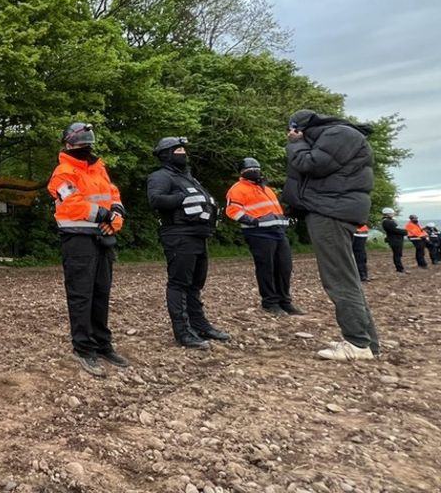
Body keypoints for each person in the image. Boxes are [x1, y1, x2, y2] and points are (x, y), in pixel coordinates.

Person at [282, 109, 378, 361]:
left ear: (299, 127)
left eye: (293, 129)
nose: (290, 134)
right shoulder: (338, 134)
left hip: (330, 212)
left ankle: (357, 343)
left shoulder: (338, 134)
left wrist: (296, 143)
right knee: (346, 276)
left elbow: (310, 164)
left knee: (338, 279)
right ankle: (367, 343)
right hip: (331, 209)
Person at [47, 122, 129, 377]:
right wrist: (106, 215)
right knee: (82, 296)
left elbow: (113, 194)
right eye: (80, 142)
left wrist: (116, 218)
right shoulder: (63, 172)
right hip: (78, 240)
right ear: (67, 144)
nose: (85, 146)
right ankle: (83, 348)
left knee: (101, 293)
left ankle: (103, 344)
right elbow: (72, 204)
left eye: (87, 142)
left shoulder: (99, 168)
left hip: (103, 237)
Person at [146, 136, 230, 349]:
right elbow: (155, 200)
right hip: (178, 235)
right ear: (166, 154)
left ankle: (200, 325)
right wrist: (181, 198)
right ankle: (183, 332)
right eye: (178, 149)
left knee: (195, 285)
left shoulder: (189, 177)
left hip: (199, 235)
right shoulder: (161, 176)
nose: (182, 153)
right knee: (179, 284)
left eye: (184, 149)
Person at [225, 157, 302, 316]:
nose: (254, 171)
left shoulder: (266, 188)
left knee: (284, 267)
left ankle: (284, 301)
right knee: (266, 268)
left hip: (278, 231)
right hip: (258, 233)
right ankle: (270, 302)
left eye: (256, 168)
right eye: (250, 169)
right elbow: (232, 210)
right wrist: (252, 221)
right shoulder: (237, 188)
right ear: (241, 172)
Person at [381, 208, 406, 273]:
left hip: (397, 239)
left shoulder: (391, 221)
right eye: (391, 213)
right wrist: (405, 232)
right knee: (397, 254)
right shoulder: (386, 222)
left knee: (398, 254)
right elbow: (394, 230)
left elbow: (398, 228)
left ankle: (400, 268)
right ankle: (399, 268)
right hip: (394, 240)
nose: (393, 214)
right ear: (387, 214)